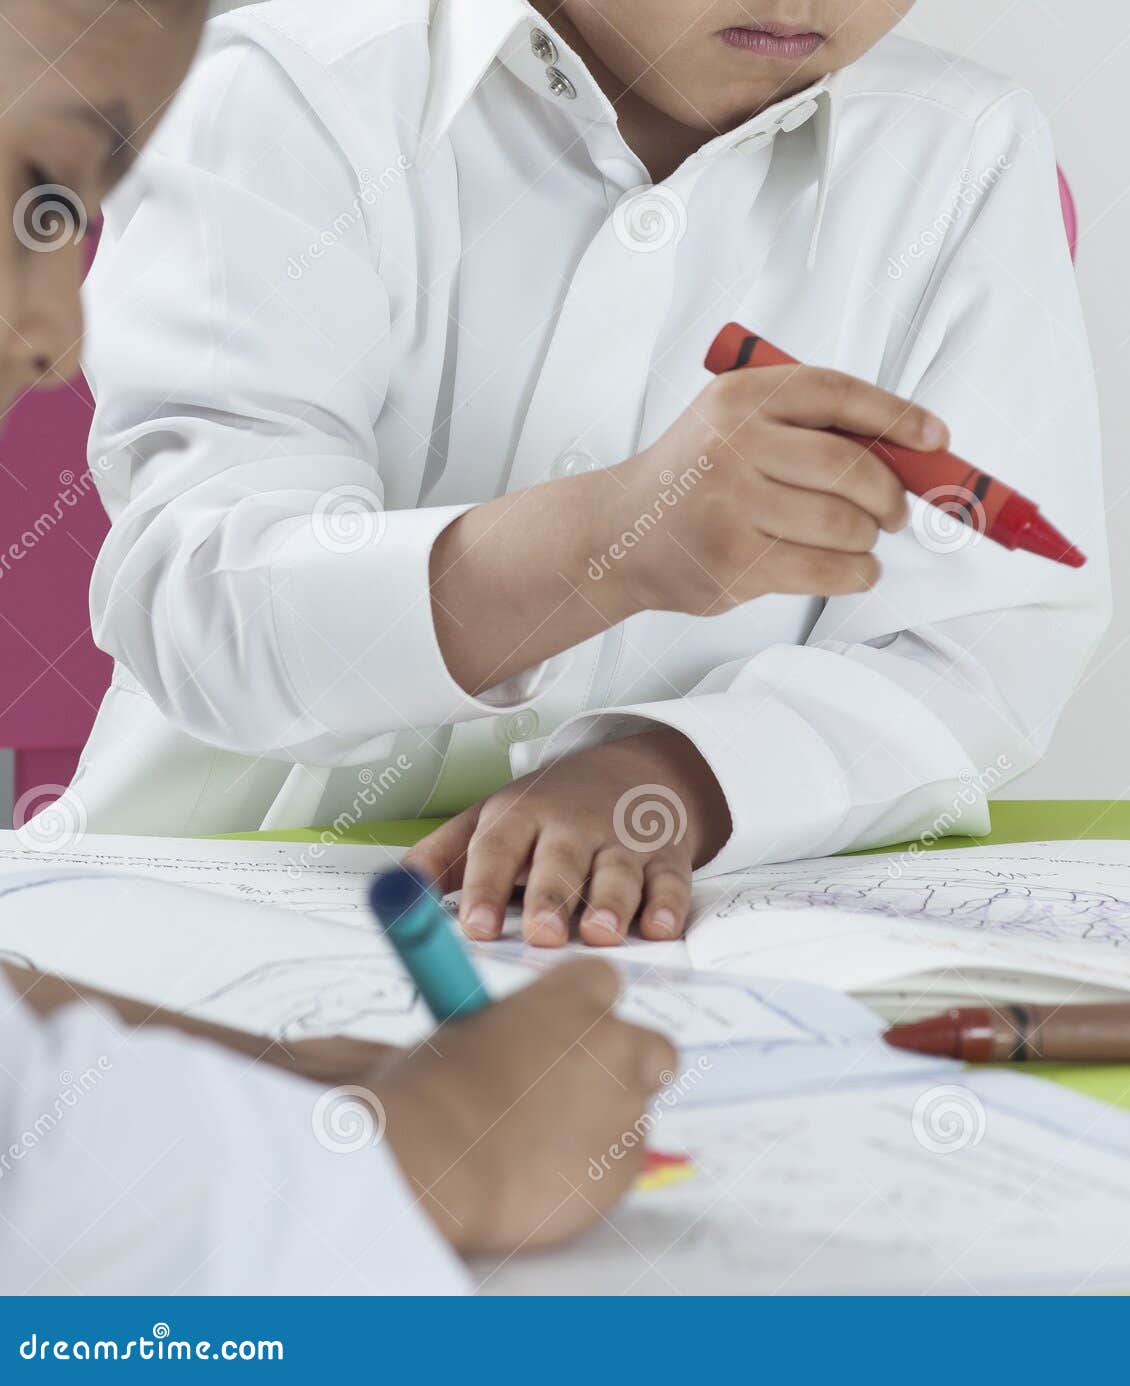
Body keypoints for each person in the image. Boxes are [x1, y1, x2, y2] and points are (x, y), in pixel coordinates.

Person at [73, 0, 1110, 946]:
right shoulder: (289, 91)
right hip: (197, 940)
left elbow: (980, 649)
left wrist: (668, 777)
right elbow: (199, 598)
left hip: (686, 956)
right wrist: (604, 544)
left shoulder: (959, 150)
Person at [0, 2, 675, 1293]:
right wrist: (431, 1153)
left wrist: (256, 1082)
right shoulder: (300, 85)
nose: (59, 339)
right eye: (42, 205)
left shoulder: (955, 144)